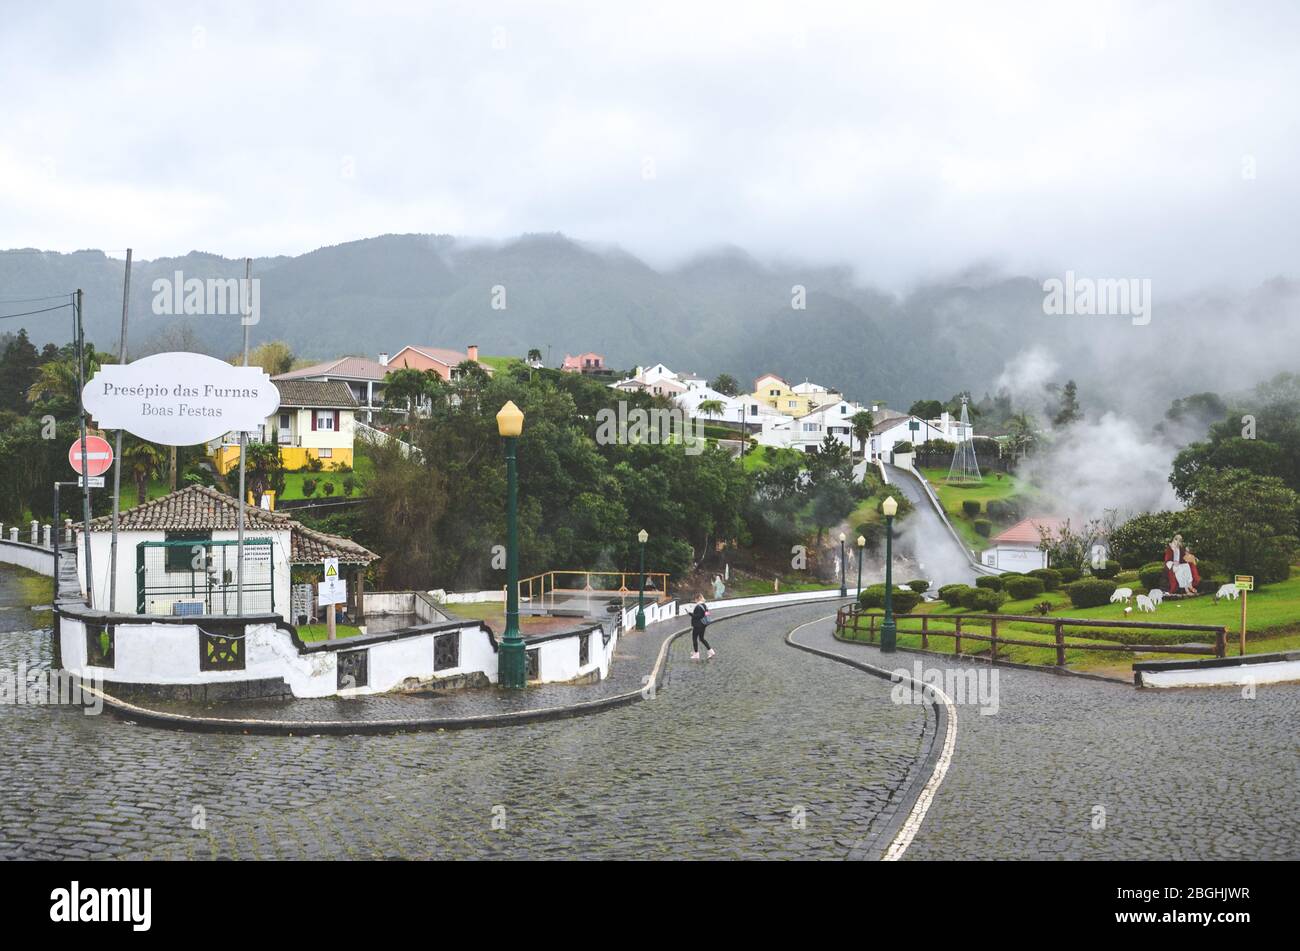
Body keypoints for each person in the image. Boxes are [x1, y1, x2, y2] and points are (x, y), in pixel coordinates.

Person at [690, 595, 715, 660]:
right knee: (701, 638)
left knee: (694, 638)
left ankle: (696, 654)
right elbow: (707, 614)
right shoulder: (704, 605)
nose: (695, 601)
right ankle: (710, 651)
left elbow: (698, 616)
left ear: (697, 599)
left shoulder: (698, 606)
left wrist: (691, 614)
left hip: (697, 625)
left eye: (695, 599)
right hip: (703, 624)